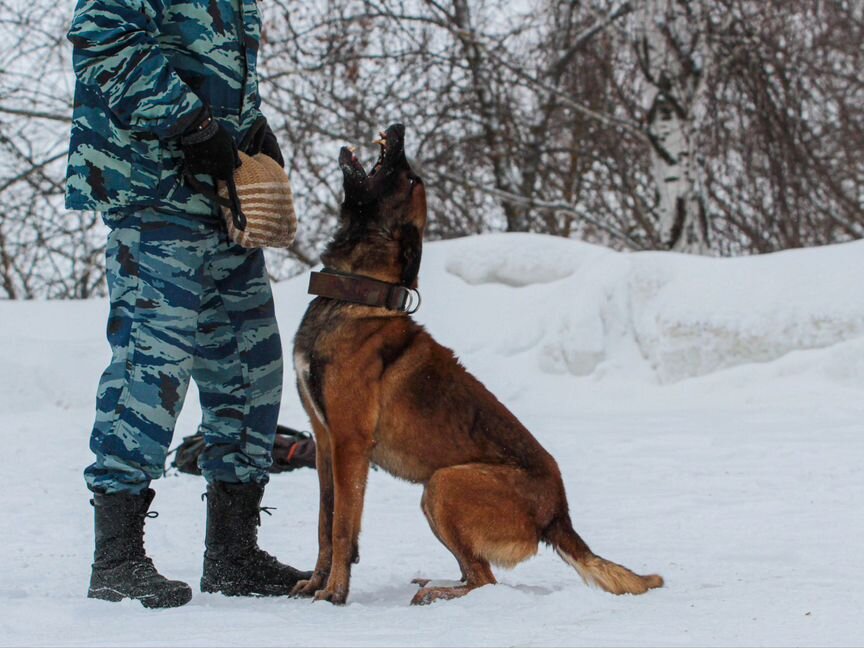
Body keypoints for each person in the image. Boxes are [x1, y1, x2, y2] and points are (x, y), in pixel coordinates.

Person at [65, 0, 308, 608]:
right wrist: (192, 126)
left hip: (218, 198)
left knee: (253, 371)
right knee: (153, 365)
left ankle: (233, 554)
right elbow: (103, 36)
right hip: (151, 191)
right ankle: (116, 558)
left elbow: (213, 64)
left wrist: (250, 126)